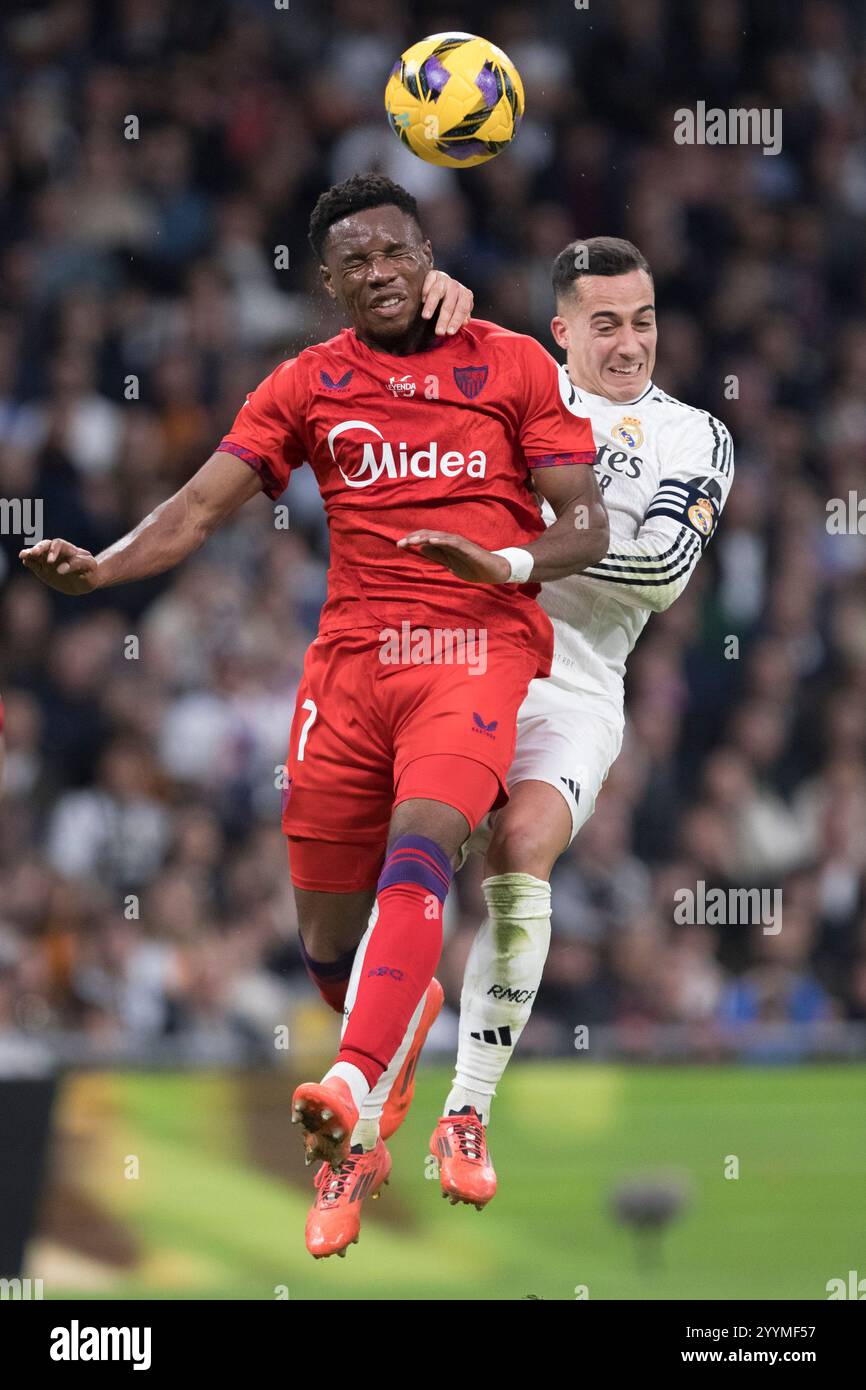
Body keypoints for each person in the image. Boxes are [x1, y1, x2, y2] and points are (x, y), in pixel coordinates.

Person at [20, 173, 609, 1259]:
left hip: (472, 648)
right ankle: (385, 1034)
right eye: (357, 261)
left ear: (427, 254)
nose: (380, 272)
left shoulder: (512, 362)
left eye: (397, 251)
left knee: (424, 842)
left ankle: (349, 1081)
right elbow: (200, 507)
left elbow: (587, 524)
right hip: (347, 668)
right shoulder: (304, 383)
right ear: (328, 283)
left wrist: (505, 557)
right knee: (325, 940)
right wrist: (102, 571)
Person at [332, 235, 735, 1241]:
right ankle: (360, 1123)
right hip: (463, 656)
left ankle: (463, 1111)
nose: (628, 342)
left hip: (578, 682)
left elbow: (667, 569)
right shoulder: (507, 386)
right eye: (605, 322)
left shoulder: (692, 435)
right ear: (563, 330)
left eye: (641, 320)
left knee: (521, 851)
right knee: (407, 860)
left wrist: (512, 554)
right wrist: (416, 305)